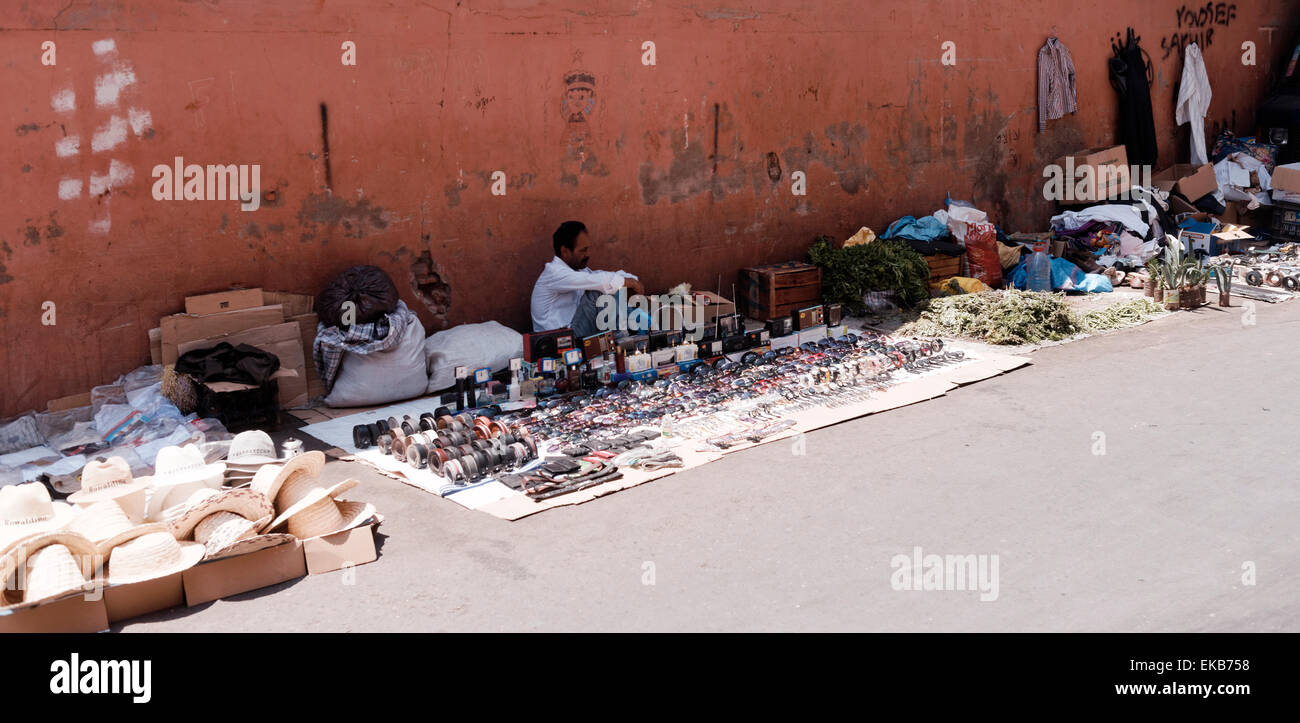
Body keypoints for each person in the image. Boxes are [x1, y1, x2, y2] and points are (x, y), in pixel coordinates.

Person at [530, 221, 644, 338]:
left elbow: (605, 276)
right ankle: (621, 339)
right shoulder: (554, 273)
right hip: (559, 339)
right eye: (583, 250)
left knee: (612, 287)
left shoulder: (579, 270)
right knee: (599, 292)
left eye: (588, 249)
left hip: (578, 330)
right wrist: (629, 282)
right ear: (565, 251)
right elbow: (603, 282)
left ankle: (637, 330)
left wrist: (632, 281)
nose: (588, 254)